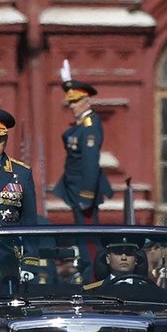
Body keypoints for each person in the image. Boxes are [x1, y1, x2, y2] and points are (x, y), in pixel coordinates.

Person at [55, 71, 113, 225]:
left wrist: (87, 196)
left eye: (76, 101)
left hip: (83, 190)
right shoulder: (81, 124)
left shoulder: (89, 127)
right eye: (70, 102)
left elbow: (90, 163)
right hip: (74, 187)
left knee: (88, 235)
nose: (72, 106)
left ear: (87, 101)